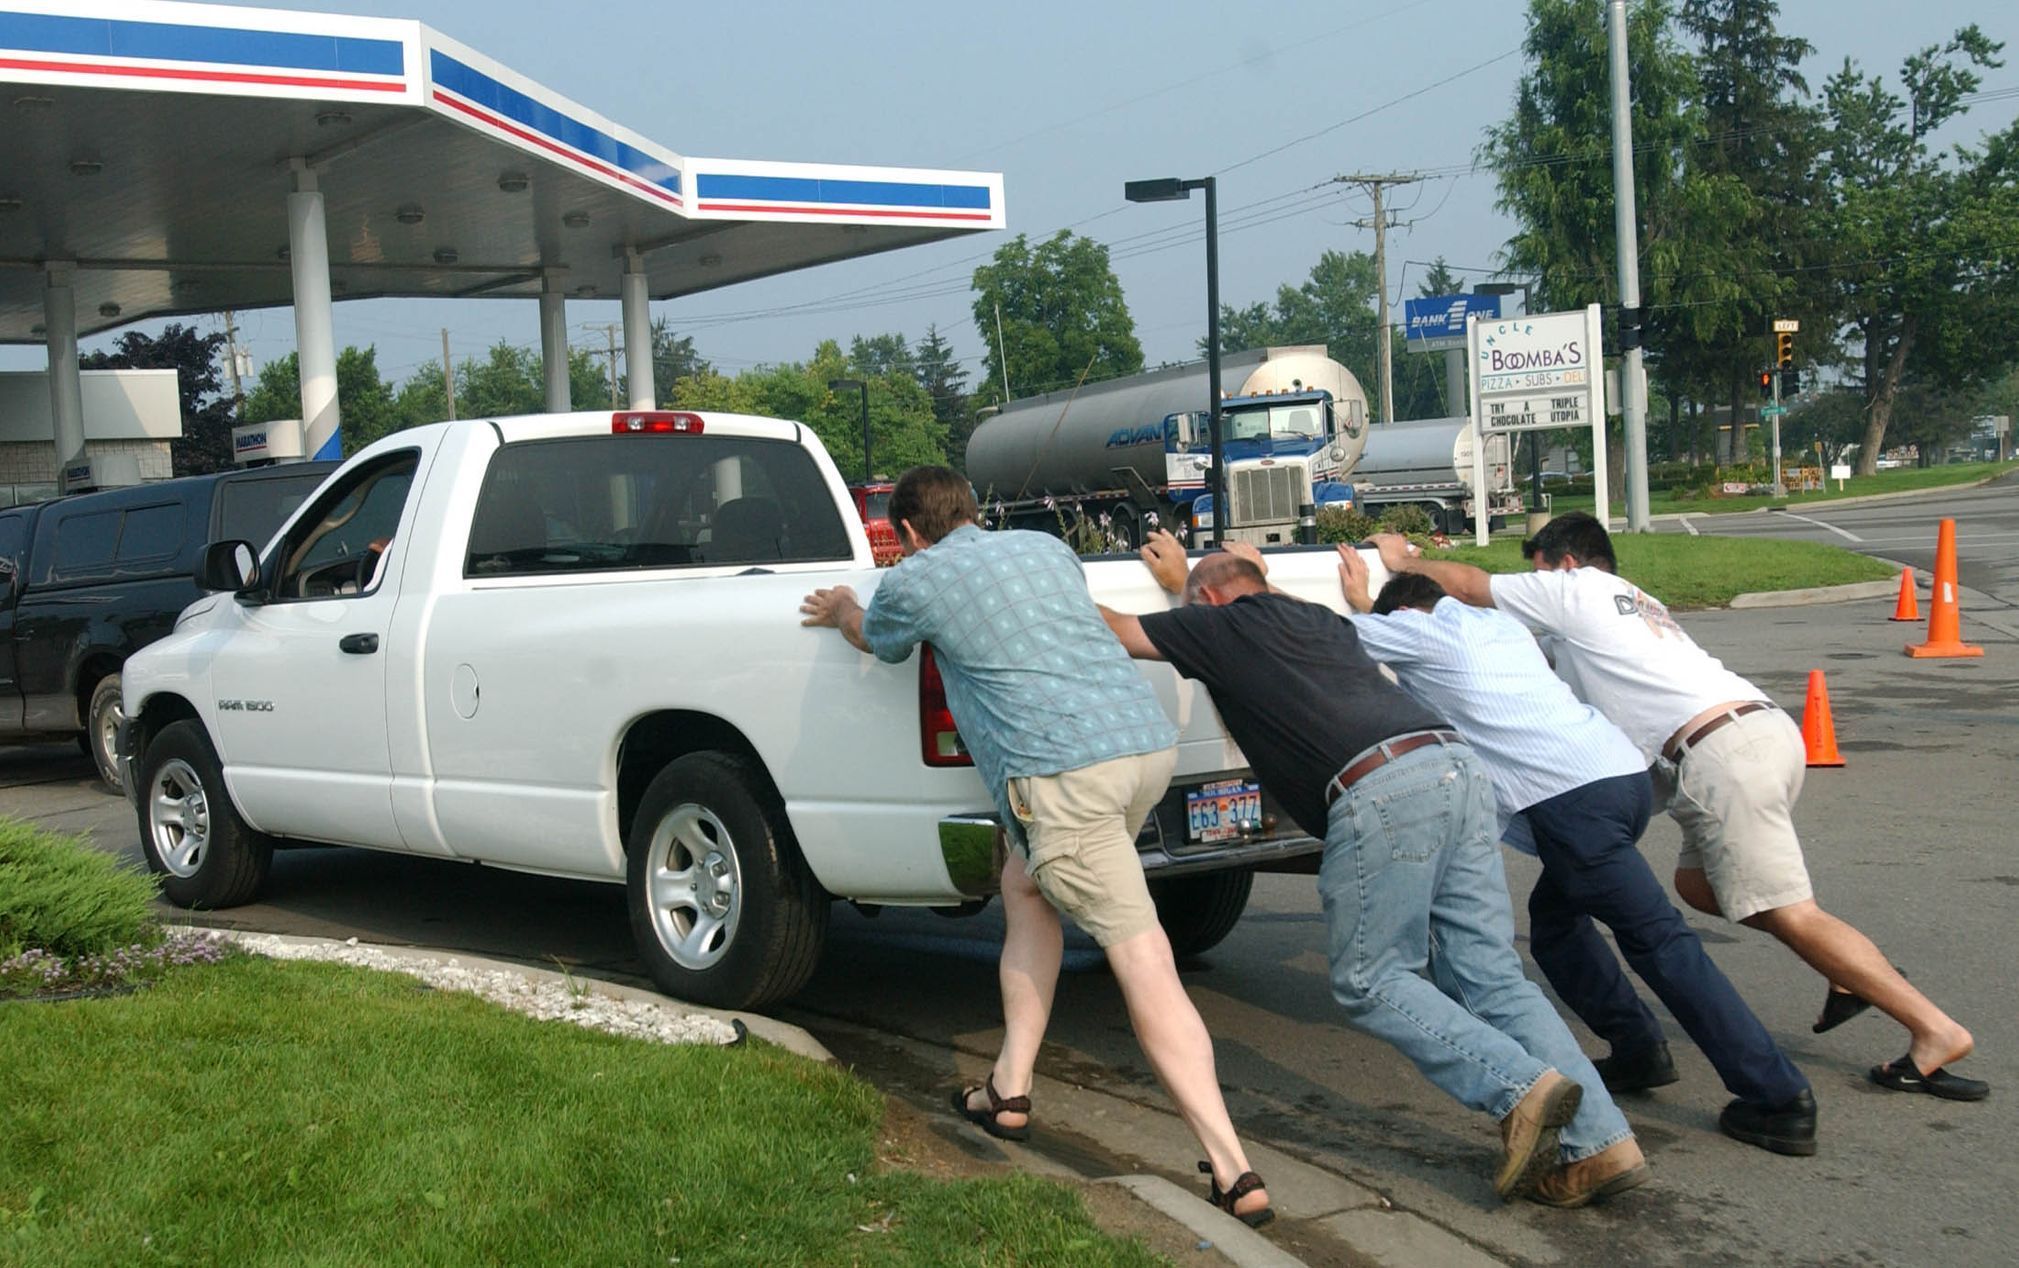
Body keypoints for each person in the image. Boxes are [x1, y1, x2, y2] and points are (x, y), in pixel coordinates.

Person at [1373, 511, 1987, 1141]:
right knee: (1647, 899)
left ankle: (1842, 1059)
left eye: (1535, 567)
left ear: (1561, 563)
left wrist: (1401, 563)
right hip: (1741, 737)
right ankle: (1648, 1045)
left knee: (1742, 923)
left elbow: (1472, 587)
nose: (1527, 583)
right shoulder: (1630, 609)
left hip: (1717, 755)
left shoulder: (1576, 589)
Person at [797, 467, 1274, 1227]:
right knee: (1026, 888)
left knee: (1142, 960)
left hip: (1062, 774)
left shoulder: (913, 578)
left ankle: (1232, 1169)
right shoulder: (1045, 550)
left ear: (909, 532)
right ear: (973, 512)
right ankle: (1008, 1089)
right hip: (1141, 753)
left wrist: (847, 604)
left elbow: (874, 640)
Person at [1099, 533, 1626, 1205]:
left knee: (1369, 978)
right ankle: (1601, 1141)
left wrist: (1040, 582)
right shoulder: (1313, 619)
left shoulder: (1217, 624)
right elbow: (1248, 603)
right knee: (1489, 973)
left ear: (1206, 599)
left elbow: (1120, 632)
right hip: (1454, 765)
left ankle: (1519, 1089)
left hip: (1379, 789)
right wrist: (1206, 581)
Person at [1335, 547, 1807, 1186]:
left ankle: (1778, 1097)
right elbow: (1406, 623)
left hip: (1570, 805)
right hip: (1623, 780)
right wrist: (1379, 599)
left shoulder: (1421, 631)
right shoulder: (1498, 626)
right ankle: (1638, 1049)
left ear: (1406, 617)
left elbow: (1326, 636)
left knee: (1659, 941)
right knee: (1556, 922)